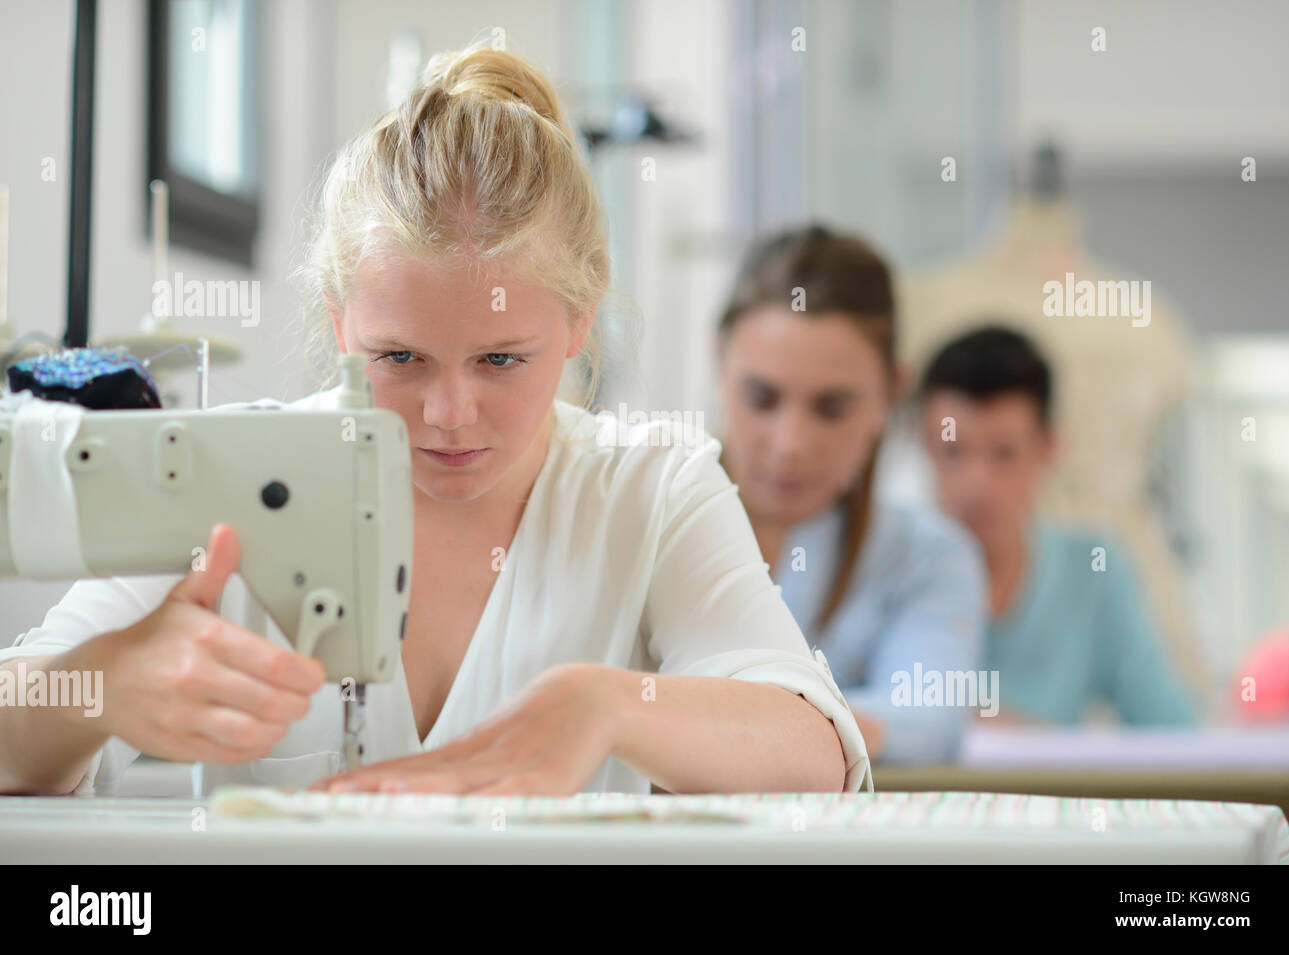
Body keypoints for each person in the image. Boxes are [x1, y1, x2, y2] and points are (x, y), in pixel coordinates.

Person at [0, 43, 869, 797]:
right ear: (341, 322)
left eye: (500, 359)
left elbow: (815, 754)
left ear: (581, 318)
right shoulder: (222, 468)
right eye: (400, 358)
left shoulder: (654, 489)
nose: (449, 415)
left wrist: (606, 707)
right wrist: (104, 683)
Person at [714, 225, 988, 765]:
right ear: (718, 364)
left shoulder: (929, 559)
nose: (790, 445)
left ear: (892, 392)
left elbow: (925, 721)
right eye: (761, 398)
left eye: (832, 408)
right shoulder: (636, 528)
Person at [916, 325, 1198, 726]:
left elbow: (1174, 730)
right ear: (922, 444)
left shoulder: (1095, 572)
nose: (977, 483)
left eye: (1004, 453)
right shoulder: (887, 568)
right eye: (953, 452)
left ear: (1049, 448)